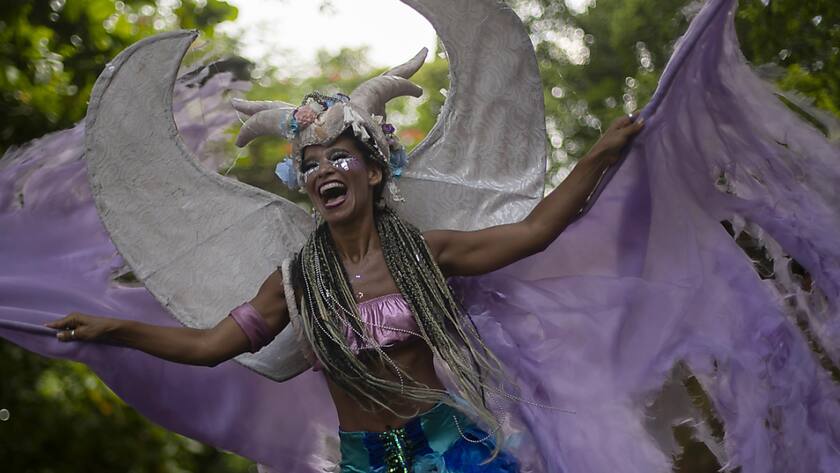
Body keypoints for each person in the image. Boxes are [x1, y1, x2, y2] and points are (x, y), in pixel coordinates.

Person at [45, 58, 643, 470]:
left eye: (339, 157)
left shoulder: (424, 253)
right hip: (363, 463)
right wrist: (113, 329)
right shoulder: (295, 284)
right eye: (311, 163)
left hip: (452, 452)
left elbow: (536, 231)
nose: (324, 169)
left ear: (375, 171)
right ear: (304, 185)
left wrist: (598, 157)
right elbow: (209, 347)